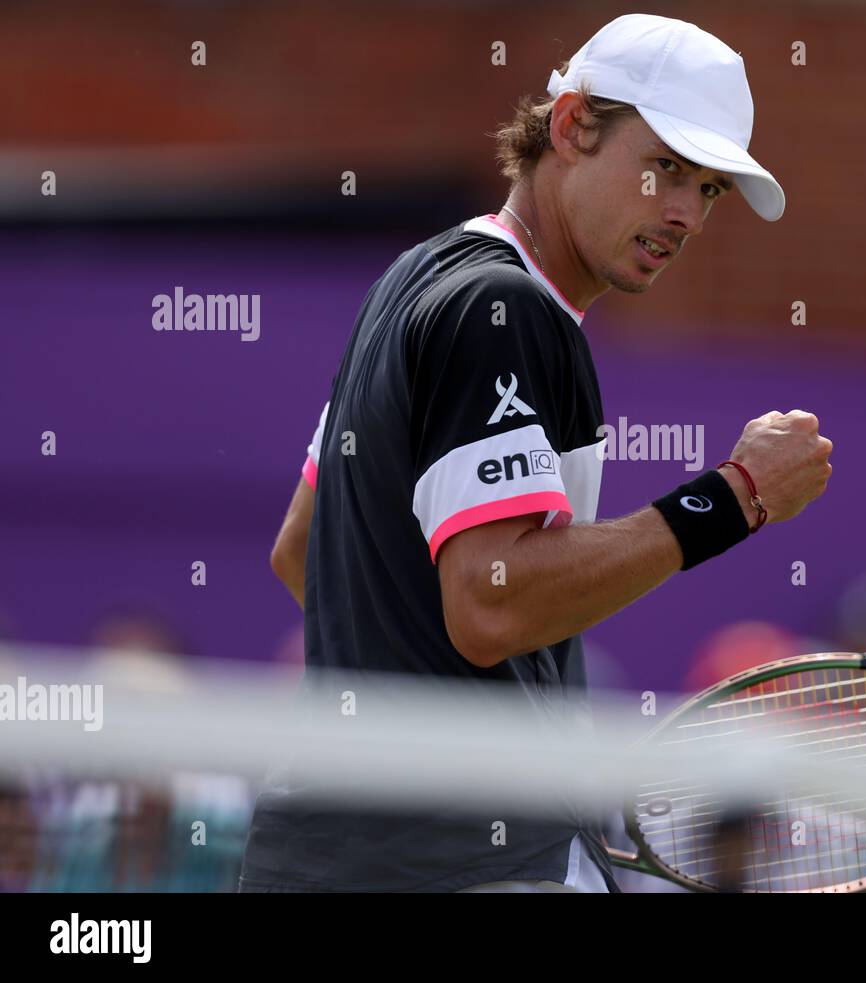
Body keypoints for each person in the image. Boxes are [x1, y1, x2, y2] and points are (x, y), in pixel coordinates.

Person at [239, 14, 833, 893]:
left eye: (708, 190)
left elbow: (305, 552)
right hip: (462, 867)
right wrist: (734, 495)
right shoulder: (506, 309)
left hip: (310, 859)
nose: (684, 214)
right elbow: (490, 605)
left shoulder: (411, 280)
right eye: (665, 165)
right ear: (570, 125)